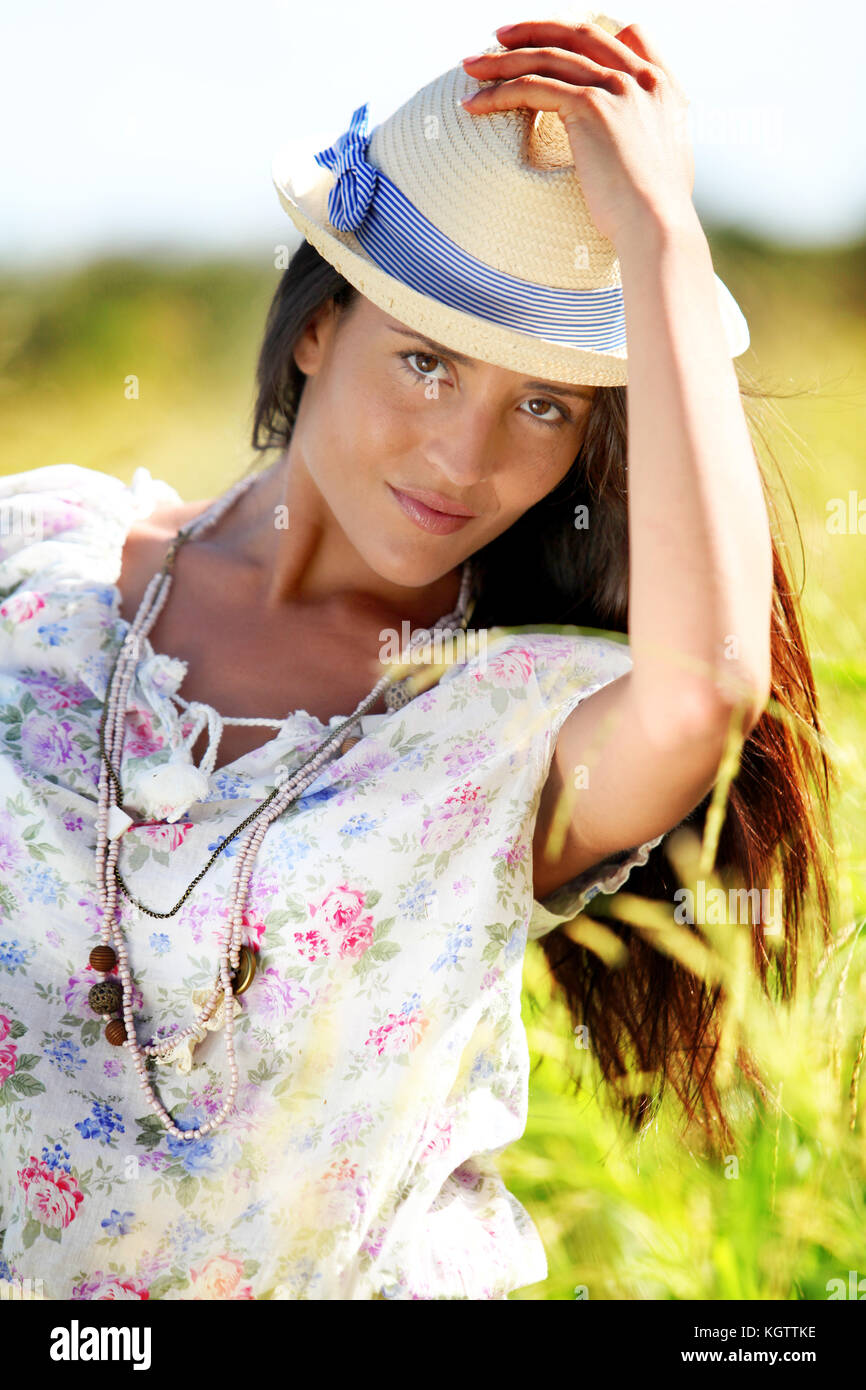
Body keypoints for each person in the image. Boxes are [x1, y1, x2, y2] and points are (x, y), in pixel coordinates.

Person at [0, 16, 834, 1300]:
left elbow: (707, 686)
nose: (462, 457)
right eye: (426, 362)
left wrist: (662, 241)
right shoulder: (37, 559)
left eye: (542, 404)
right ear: (317, 328)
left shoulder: (509, 721)